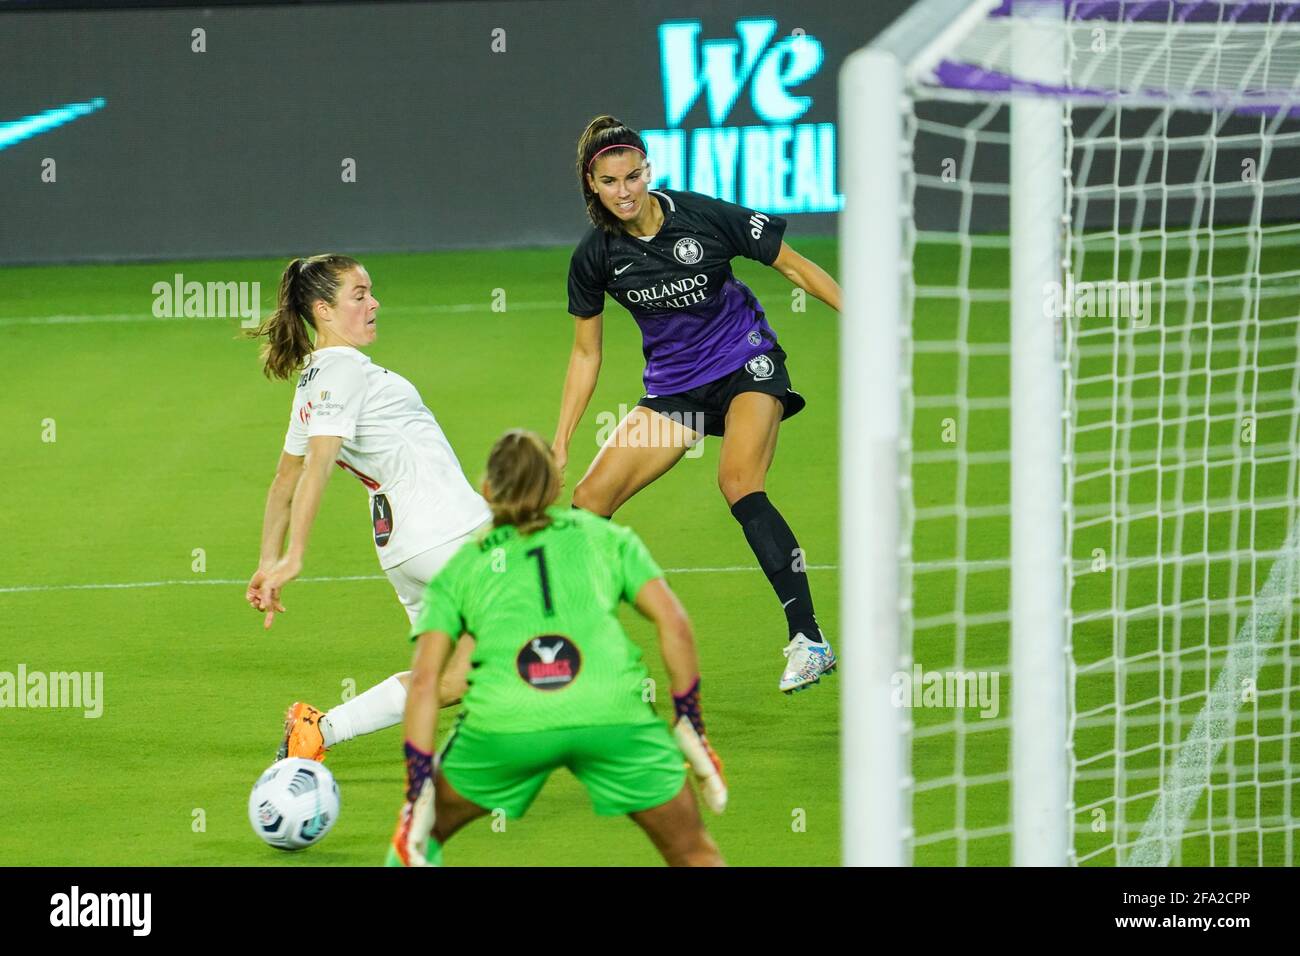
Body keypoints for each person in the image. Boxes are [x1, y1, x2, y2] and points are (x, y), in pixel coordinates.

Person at [552, 115, 843, 693]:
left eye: (633, 176)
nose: (624, 192)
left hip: (746, 365)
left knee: (738, 482)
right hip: (676, 392)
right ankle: (577, 645)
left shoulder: (703, 215)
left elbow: (795, 266)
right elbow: (587, 355)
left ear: (647, 171)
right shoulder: (595, 256)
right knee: (588, 500)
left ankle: (809, 640)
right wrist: (561, 439)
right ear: (592, 184)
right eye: (610, 182)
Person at [388, 430, 727, 867]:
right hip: (611, 714)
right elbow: (675, 623)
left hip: (507, 723)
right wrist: (689, 718)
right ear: (554, 486)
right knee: (692, 851)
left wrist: (419, 787)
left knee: (417, 840)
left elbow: (426, 682)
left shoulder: (464, 566)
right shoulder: (608, 538)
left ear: (488, 490)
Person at [244, 254, 491, 761]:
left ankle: (320, 730)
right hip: (450, 534)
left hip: (405, 549)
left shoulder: (313, 381)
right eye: (359, 296)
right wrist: (293, 557)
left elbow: (281, 481)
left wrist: (267, 561)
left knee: (452, 678)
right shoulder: (342, 374)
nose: (373, 303)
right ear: (324, 311)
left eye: (370, 292)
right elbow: (316, 465)